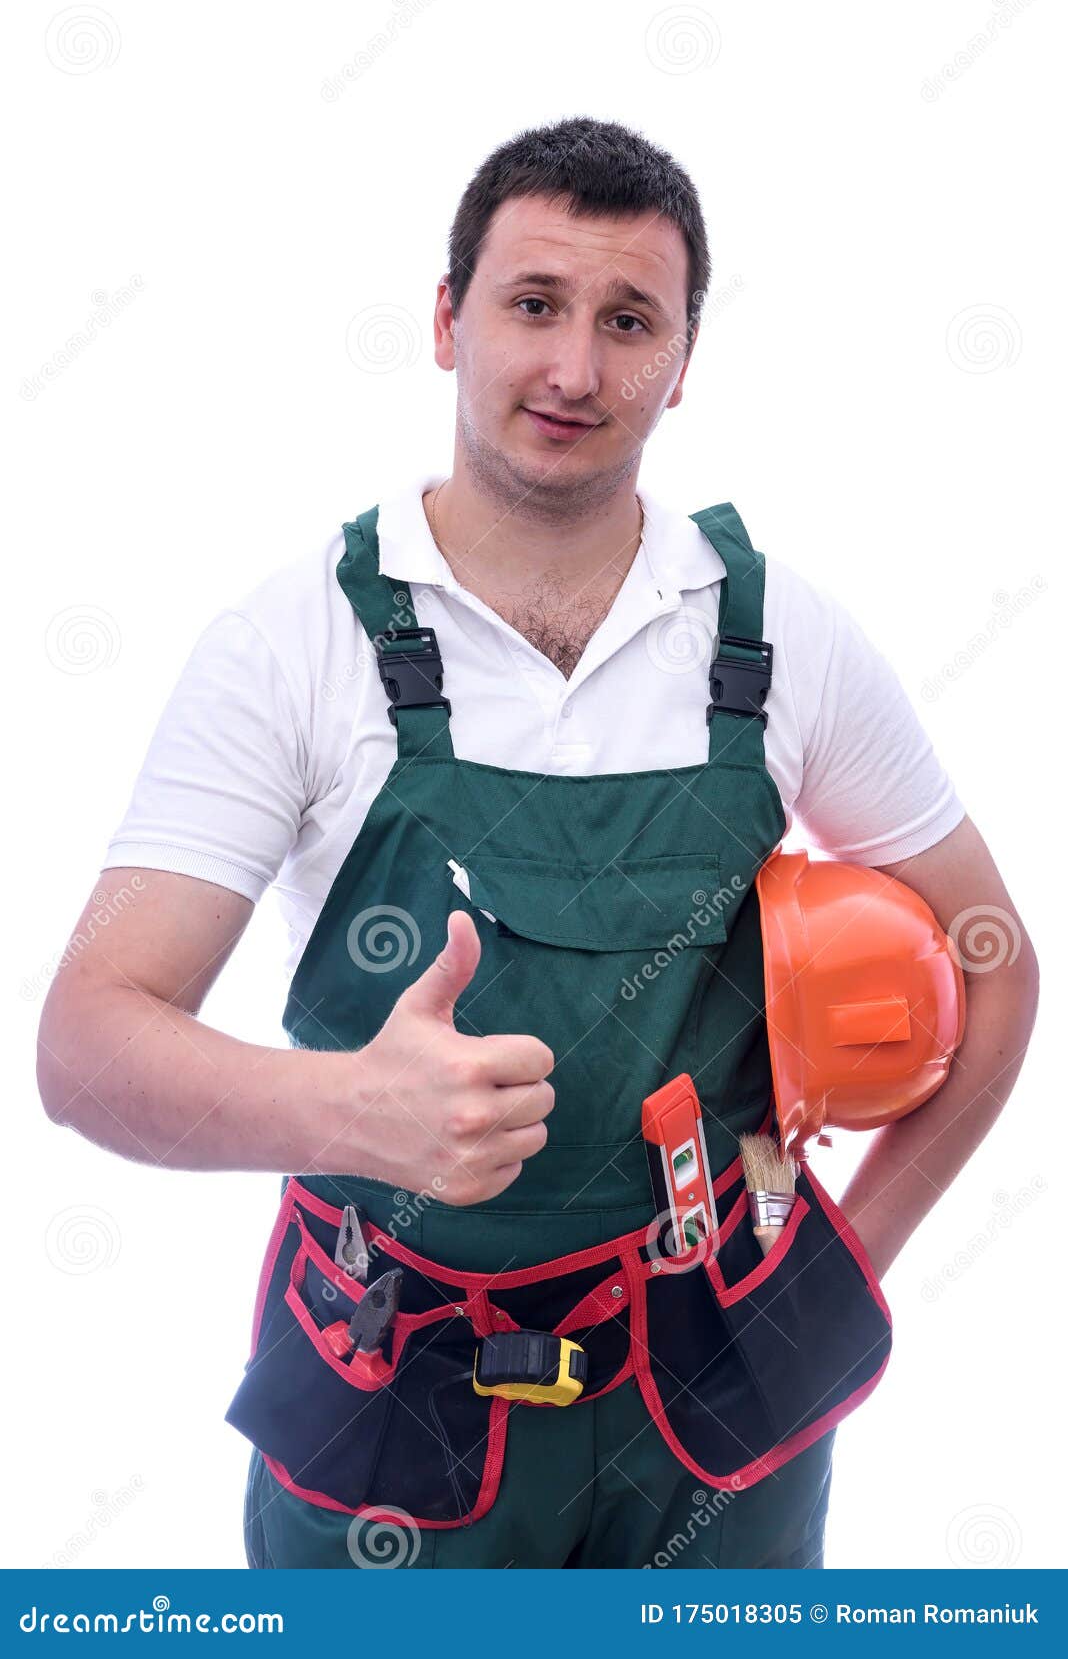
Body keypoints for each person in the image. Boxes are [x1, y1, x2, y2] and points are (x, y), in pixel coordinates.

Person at [37, 117, 1039, 1570]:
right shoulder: (292, 646)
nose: (575, 369)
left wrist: (841, 1266)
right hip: (392, 1401)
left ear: (683, 362)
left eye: (629, 321)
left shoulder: (784, 641)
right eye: (533, 305)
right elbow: (86, 1043)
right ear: (447, 323)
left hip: (718, 1420)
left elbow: (993, 962)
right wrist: (348, 1111)